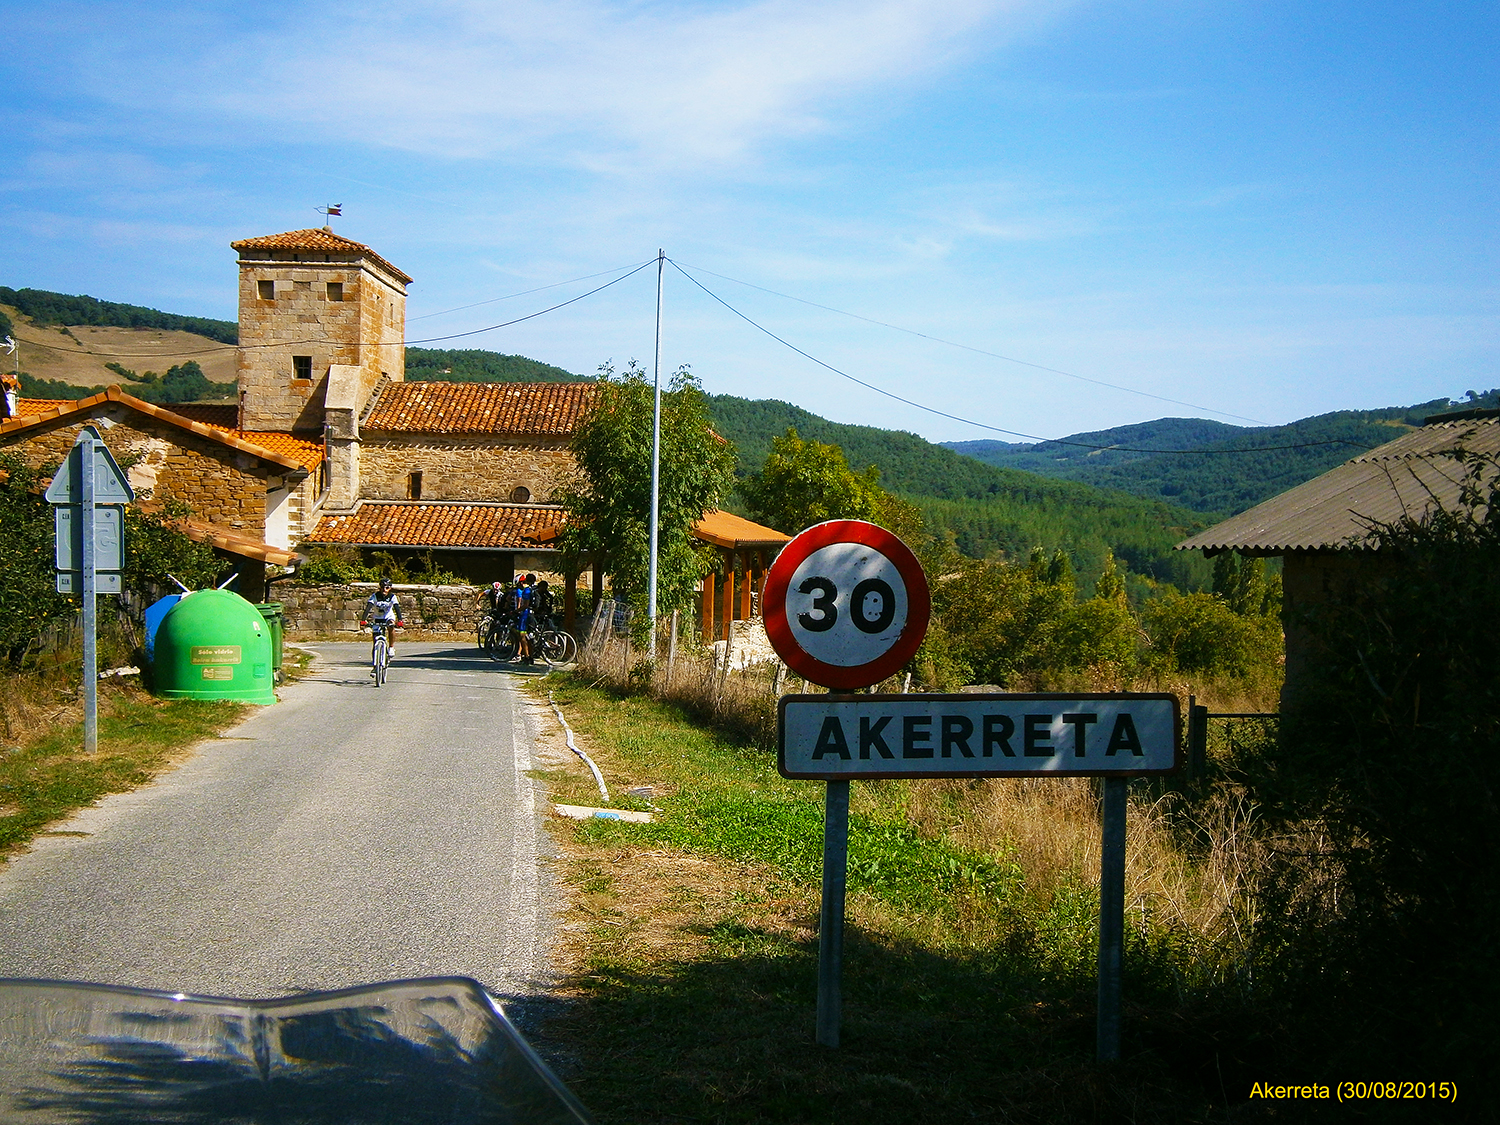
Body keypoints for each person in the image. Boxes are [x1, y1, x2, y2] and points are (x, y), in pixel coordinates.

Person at [359, 577, 404, 672]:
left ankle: (391, 647)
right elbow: (368, 608)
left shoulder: (392, 597)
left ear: (390, 588)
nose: (384, 590)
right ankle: (375, 665)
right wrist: (363, 620)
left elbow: (397, 608)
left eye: (387, 587)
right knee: (375, 642)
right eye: (382, 587)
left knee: (391, 626)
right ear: (379, 588)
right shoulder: (375, 596)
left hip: (388, 617)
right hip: (378, 618)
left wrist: (400, 620)